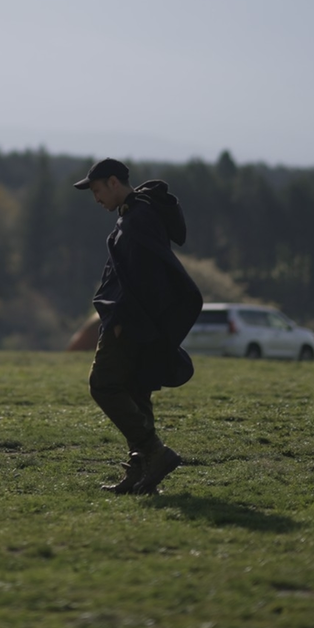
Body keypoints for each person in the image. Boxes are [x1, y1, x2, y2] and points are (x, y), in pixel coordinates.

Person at [74, 157, 202, 495]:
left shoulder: (139, 218)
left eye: (98, 190)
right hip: (134, 321)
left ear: (114, 182)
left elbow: (145, 279)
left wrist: (122, 321)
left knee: (103, 384)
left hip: (128, 322)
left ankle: (154, 452)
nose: (96, 198)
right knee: (134, 390)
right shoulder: (135, 214)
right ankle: (140, 472)